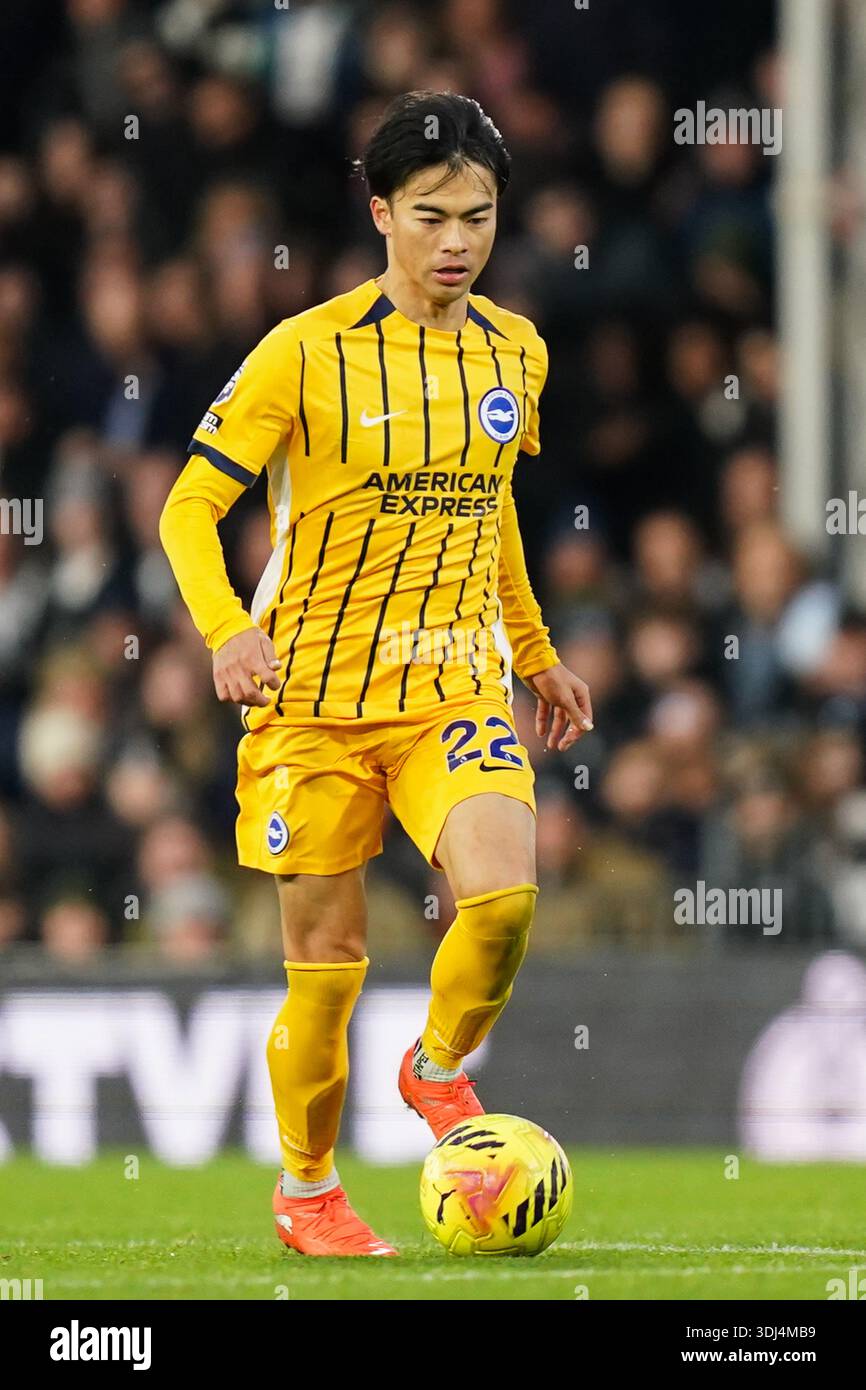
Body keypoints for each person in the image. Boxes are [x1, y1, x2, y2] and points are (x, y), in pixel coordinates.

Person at [159, 91, 593, 1257]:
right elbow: (190, 507)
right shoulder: (303, 351)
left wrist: (535, 653)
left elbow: (489, 507)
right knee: (327, 974)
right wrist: (222, 630)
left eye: (480, 215)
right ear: (380, 212)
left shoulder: (516, 348)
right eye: (432, 214)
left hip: (451, 686)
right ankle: (307, 1190)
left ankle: (435, 1066)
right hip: (308, 706)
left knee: (501, 901)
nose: (457, 241)